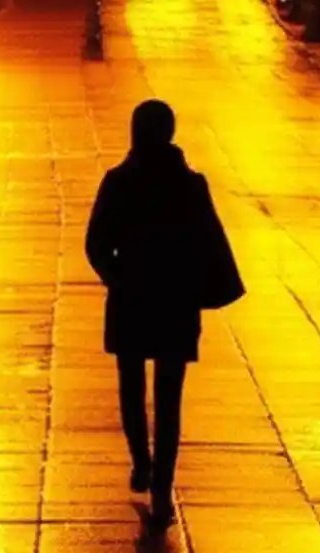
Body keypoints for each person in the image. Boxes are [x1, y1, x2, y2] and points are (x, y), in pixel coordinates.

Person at [86, 100, 242, 527]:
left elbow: (96, 242)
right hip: (176, 300)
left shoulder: (118, 182)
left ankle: (141, 461)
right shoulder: (190, 185)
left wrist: (117, 276)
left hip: (131, 298)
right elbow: (210, 240)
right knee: (169, 399)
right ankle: (162, 485)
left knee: (132, 388)